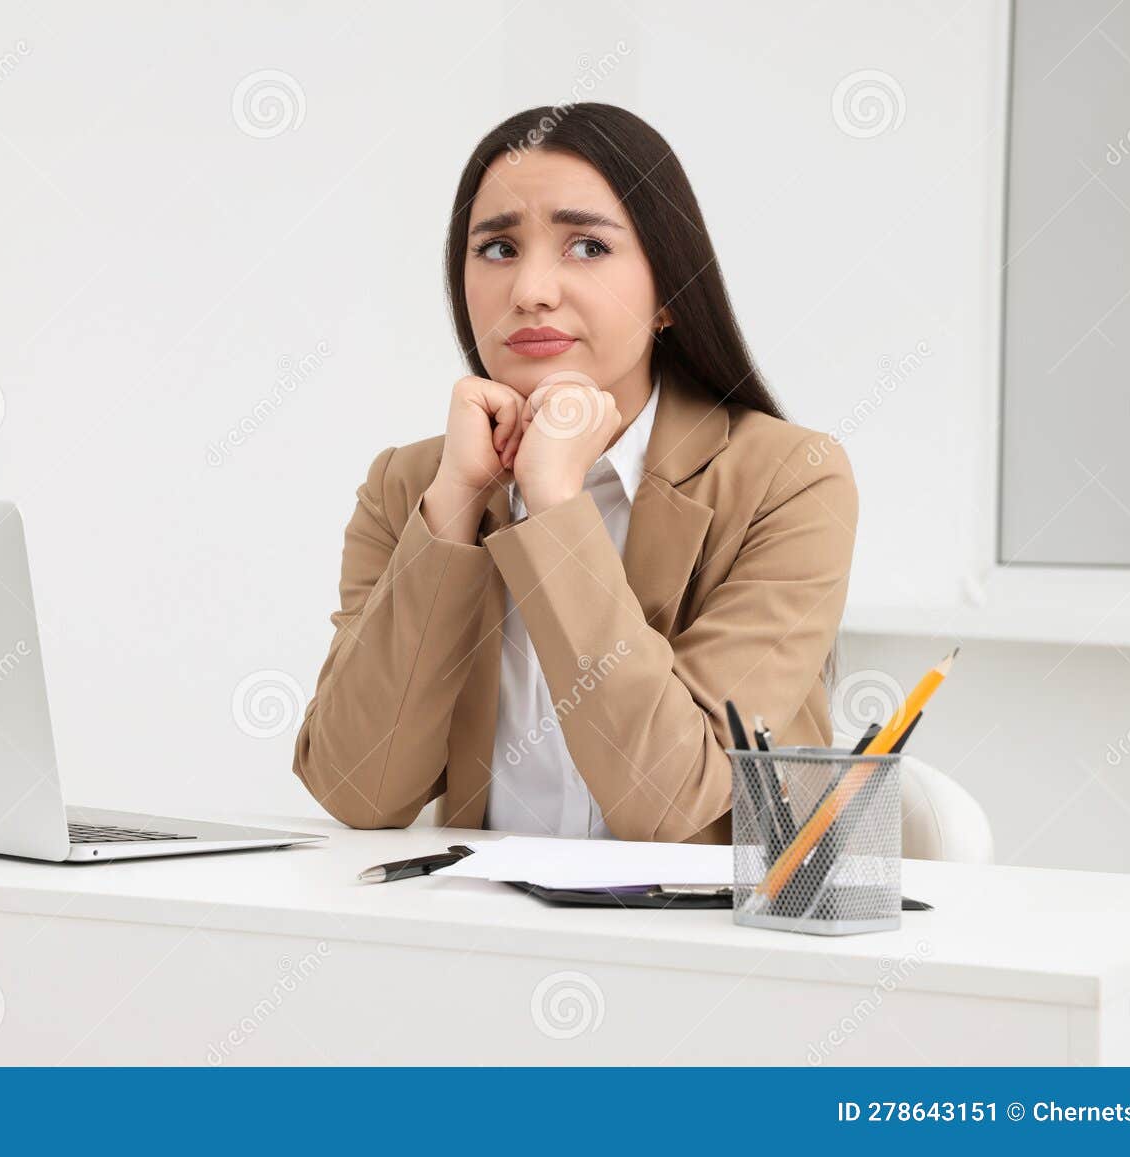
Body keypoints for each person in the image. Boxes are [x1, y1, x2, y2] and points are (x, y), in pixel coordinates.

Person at [291, 103, 858, 844]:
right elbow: (358, 789)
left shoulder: (790, 480)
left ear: (668, 294)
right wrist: (455, 508)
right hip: (476, 932)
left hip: (703, 944)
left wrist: (557, 504)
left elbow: (670, 803)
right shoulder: (412, 484)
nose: (530, 289)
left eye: (586, 245)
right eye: (496, 249)